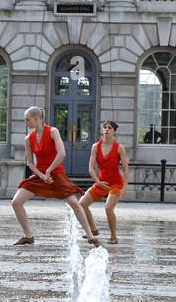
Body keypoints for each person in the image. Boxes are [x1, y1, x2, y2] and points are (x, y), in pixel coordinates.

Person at [11, 106, 99, 247]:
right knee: (16, 202)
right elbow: (29, 163)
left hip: (56, 173)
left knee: (75, 204)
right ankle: (28, 236)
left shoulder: (53, 131)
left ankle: (90, 236)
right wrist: (41, 175)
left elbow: (62, 154)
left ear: (37, 119)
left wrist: (48, 171)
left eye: (27, 119)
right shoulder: (28, 138)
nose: (25, 122)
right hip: (39, 175)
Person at [78, 120, 129, 244]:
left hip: (116, 183)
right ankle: (93, 230)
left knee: (108, 208)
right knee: (81, 204)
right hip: (100, 182)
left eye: (109, 128)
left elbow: (126, 169)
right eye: (105, 127)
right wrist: (97, 181)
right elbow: (91, 167)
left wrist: (124, 189)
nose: (106, 129)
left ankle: (113, 237)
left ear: (114, 131)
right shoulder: (96, 146)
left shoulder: (119, 148)